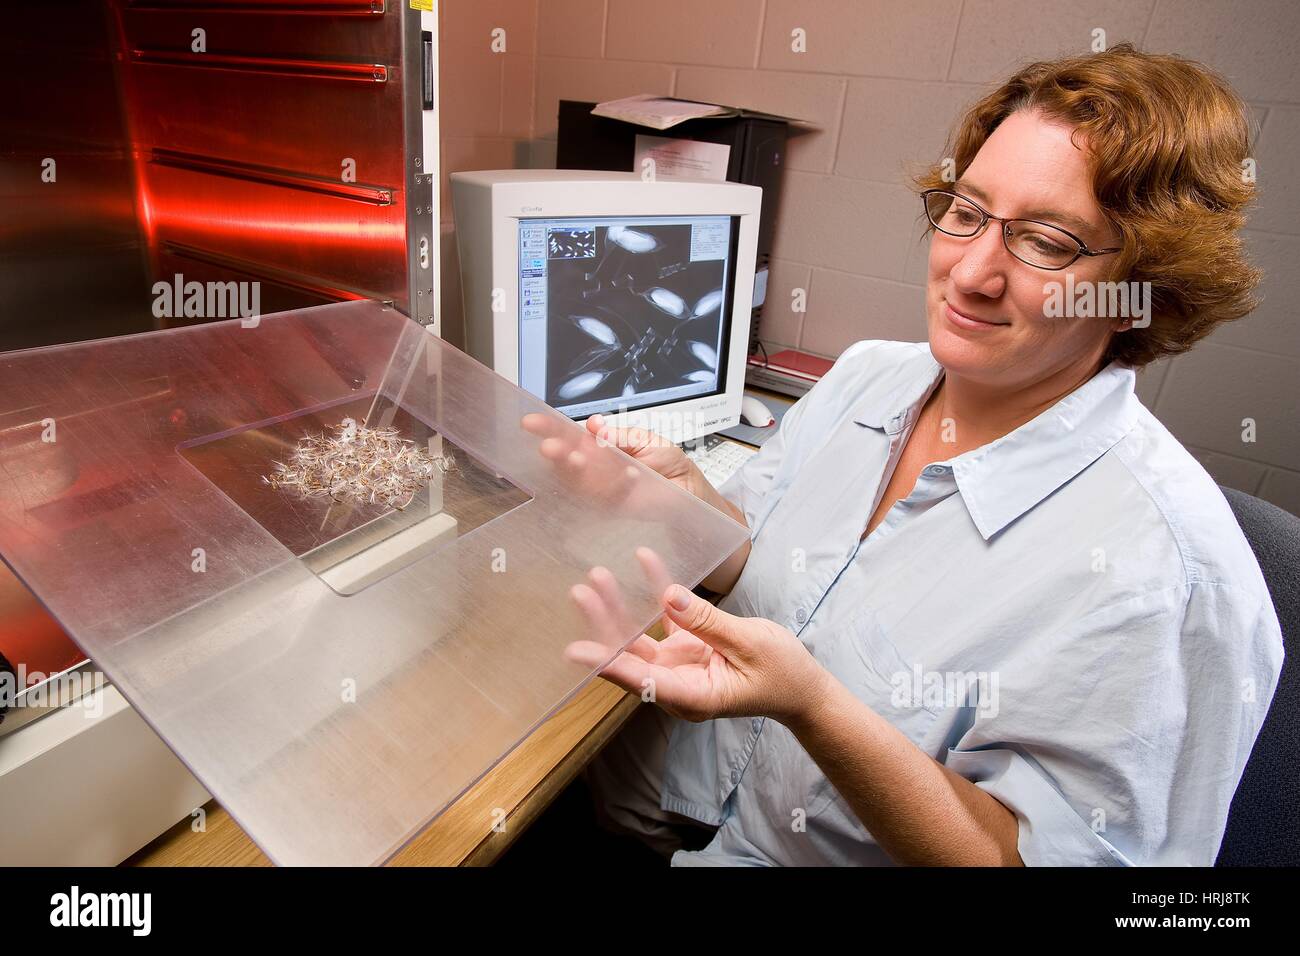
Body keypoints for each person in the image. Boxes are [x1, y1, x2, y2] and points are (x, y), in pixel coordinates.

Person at [563, 43, 1283, 867]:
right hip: (644, 802)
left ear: (1140, 294)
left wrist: (816, 709)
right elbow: (769, 564)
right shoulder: (870, 376)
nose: (971, 273)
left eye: (1047, 242)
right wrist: (694, 503)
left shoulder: (1165, 577)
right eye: (967, 211)